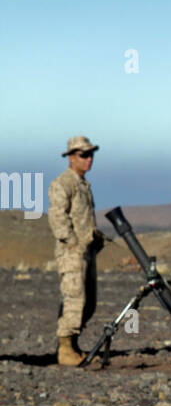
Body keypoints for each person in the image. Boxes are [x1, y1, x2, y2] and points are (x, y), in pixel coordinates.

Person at [48, 136, 104, 366]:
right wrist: (73, 243)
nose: (89, 159)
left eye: (91, 154)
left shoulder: (83, 185)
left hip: (86, 252)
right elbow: (57, 217)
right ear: (71, 158)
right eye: (83, 155)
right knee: (74, 298)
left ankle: (73, 344)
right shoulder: (62, 183)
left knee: (88, 301)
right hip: (72, 253)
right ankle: (65, 349)